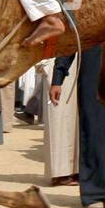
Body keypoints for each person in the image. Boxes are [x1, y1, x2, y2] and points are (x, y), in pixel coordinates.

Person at [51, 46, 105, 208]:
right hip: (93, 71)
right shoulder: (82, 18)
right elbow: (69, 42)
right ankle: (94, 193)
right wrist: (58, 78)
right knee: (95, 130)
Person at [44, 57, 80, 185]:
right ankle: (59, 172)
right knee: (59, 119)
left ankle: (77, 169)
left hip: (78, 63)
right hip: (58, 63)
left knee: (76, 121)